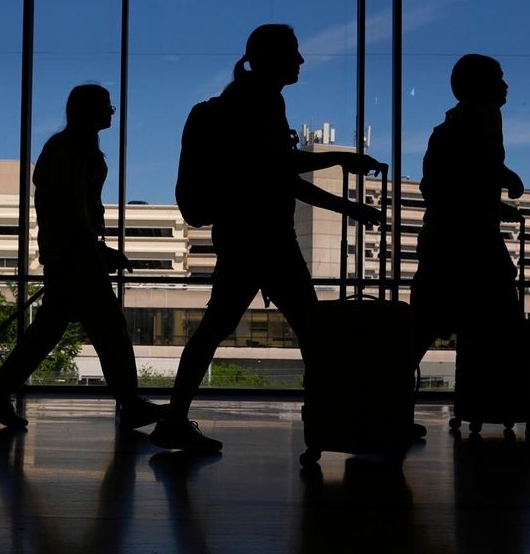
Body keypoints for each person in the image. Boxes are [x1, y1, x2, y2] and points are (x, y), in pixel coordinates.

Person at [150, 24, 386, 452]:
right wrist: (343, 171)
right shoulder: (259, 103)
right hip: (266, 238)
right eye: (293, 53)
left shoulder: (245, 101)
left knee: (216, 329)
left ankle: (175, 418)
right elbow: (279, 172)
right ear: (271, 58)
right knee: (310, 333)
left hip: (243, 236)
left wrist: (342, 174)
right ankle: (333, 424)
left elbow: (275, 170)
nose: (300, 61)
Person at [410, 54, 530, 443]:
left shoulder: (447, 127)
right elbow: (479, 166)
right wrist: (505, 177)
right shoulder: (483, 115)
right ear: (480, 85)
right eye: (498, 77)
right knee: (508, 326)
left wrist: (492, 201)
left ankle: (377, 407)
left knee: (423, 330)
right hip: (471, 246)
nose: (506, 84)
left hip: (443, 241)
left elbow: (443, 187)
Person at [0, 85, 167, 431]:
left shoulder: (67, 150)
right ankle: (129, 402)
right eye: (107, 105)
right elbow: (75, 215)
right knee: (109, 331)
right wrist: (97, 252)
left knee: (48, 333)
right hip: (76, 258)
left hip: (68, 256)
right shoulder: (71, 152)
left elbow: (70, 213)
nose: (112, 111)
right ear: (89, 110)